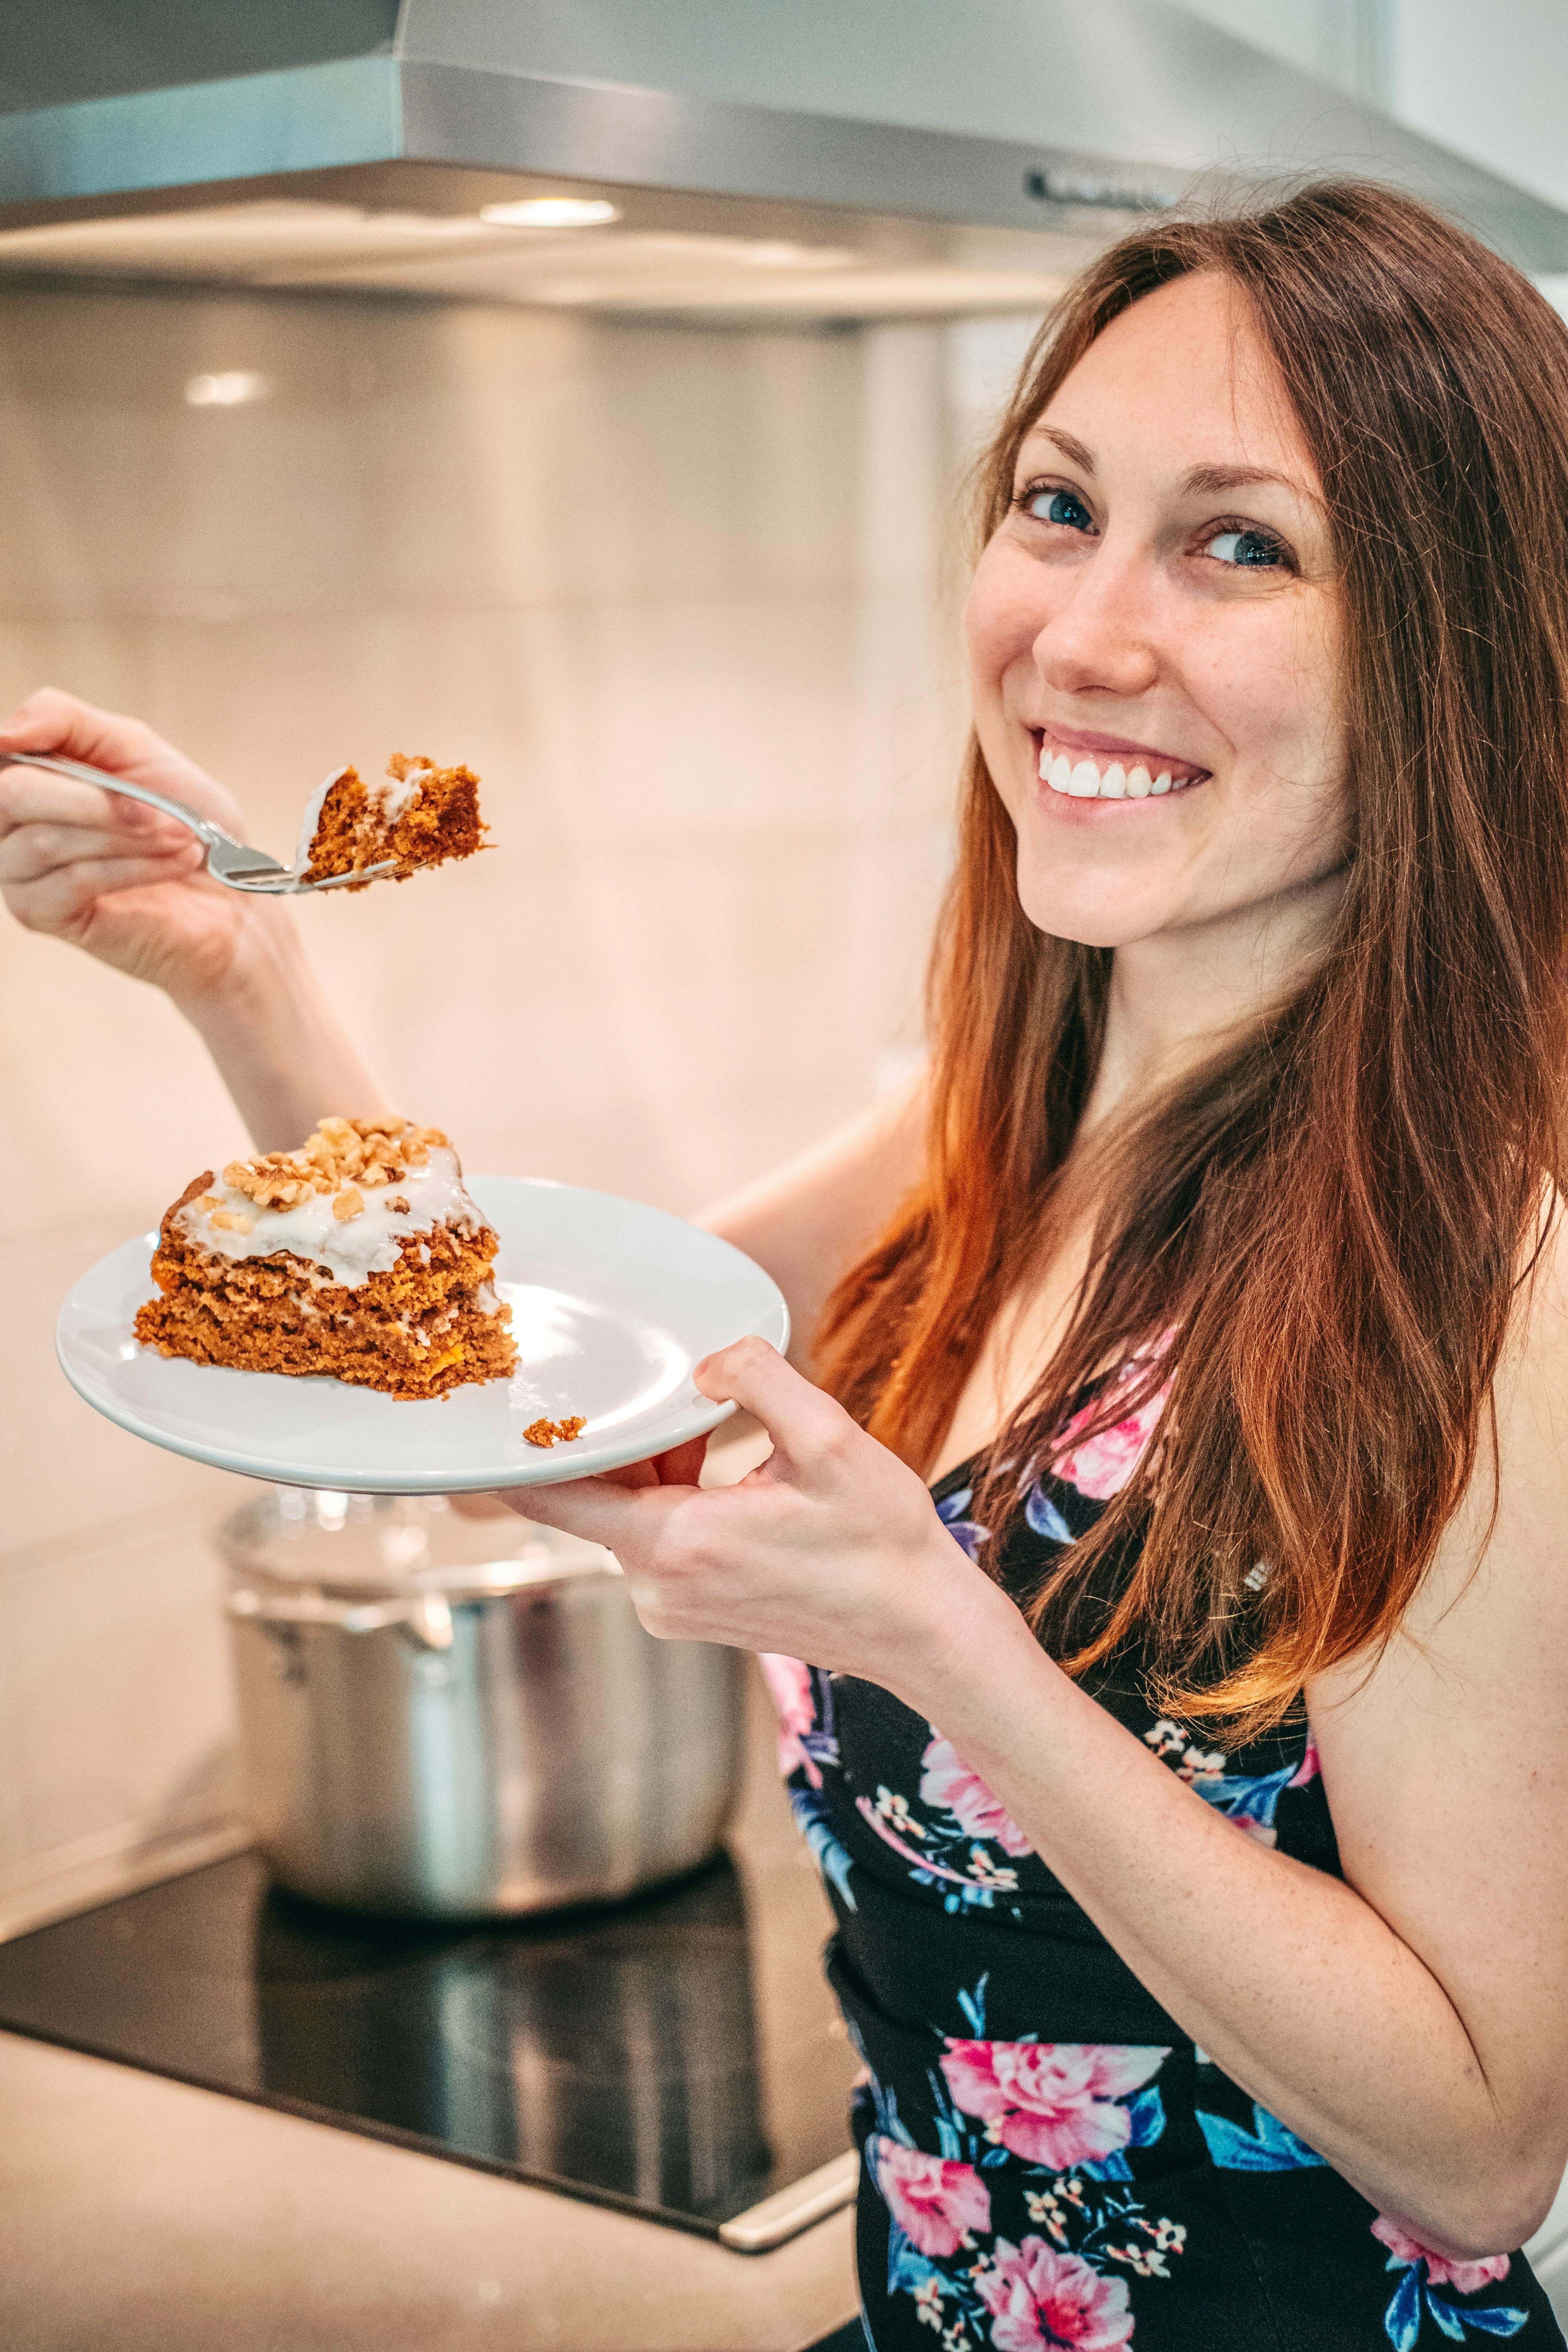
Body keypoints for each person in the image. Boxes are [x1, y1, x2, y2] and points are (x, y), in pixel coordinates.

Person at [4, 178, 1567, 2349]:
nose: (1085, 633)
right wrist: (247, 976)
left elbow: (1479, 2146)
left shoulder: (1499, 1274)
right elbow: (507, 1396)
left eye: (1242, 543)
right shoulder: (990, 1125)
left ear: (1459, 651)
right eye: (1055, 505)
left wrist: (942, 1634)